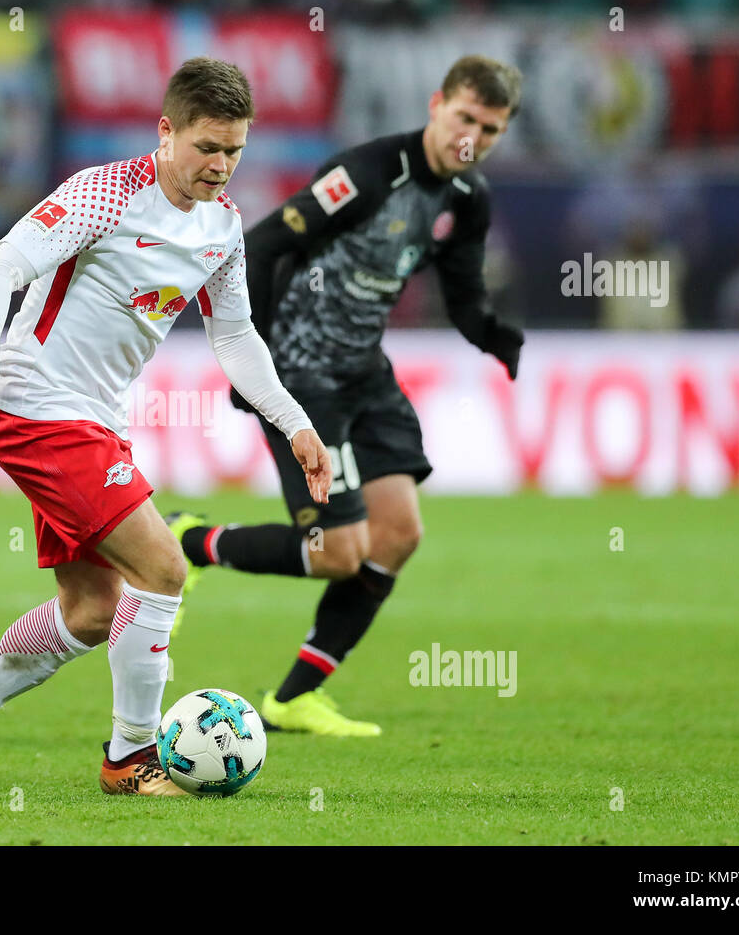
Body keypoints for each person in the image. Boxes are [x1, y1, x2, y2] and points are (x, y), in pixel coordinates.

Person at [0, 57, 331, 794]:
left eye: (234, 150)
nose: (220, 165)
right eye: (206, 146)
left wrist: (294, 424)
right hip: (36, 406)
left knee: (94, 610)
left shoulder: (223, 228)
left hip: (95, 421)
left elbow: (234, 338)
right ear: (166, 132)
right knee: (165, 568)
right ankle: (131, 759)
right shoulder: (106, 193)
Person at [168, 55, 525, 737]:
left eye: (490, 129)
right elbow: (266, 244)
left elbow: (462, 293)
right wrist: (257, 365)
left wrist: (493, 335)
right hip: (301, 373)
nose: (471, 139)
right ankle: (191, 543)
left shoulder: (466, 199)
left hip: (363, 370)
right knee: (336, 549)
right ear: (436, 104)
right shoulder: (367, 174)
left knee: (398, 534)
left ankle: (293, 697)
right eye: (464, 119)